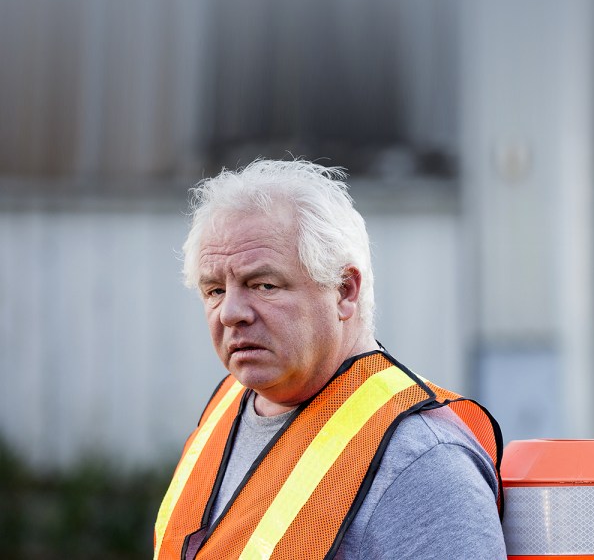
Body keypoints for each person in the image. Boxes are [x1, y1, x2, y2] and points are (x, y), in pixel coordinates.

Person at [153, 159, 506, 559]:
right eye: (214, 290)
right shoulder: (227, 406)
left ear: (344, 290)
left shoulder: (423, 463)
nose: (231, 312)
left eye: (264, 284)